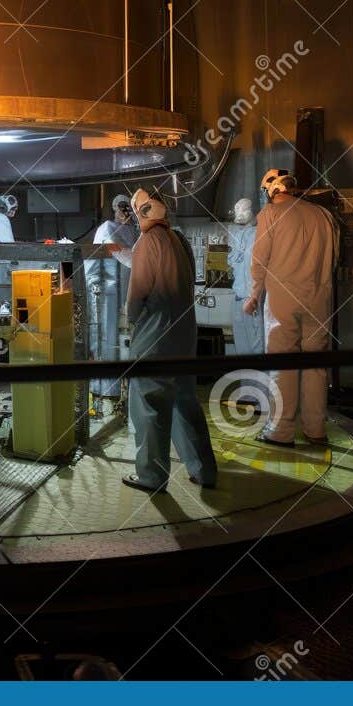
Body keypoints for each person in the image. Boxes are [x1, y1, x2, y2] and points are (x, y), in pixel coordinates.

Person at [120, 188, 217, 493]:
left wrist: (130, 321)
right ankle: (204, 471)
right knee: (185, 403)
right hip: (184, 333)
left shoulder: (149, 242)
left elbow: (137, 293)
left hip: (155, 334)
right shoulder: (178, 239)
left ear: (141, 213)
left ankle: (152, 476)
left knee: (149, 405)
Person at [243, 169, 339, 447]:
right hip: (320, 297)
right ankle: (316, 429)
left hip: (282, 298)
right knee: (315, 365)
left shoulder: (271, 215)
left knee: (282, 363)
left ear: (271, 190)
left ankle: (280, 431)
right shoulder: (323, 215)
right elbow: (334, 259)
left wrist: (253, 296)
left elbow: (259, 261)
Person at [85, 194, 138, 411]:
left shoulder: (132, 231)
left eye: (128, 209)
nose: (124, 213)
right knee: (105, 339)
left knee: (120, 340)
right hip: (104, 293)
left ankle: (118, 386)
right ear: (115, 209)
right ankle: (104, 388)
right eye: (122, 208)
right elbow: (119, 253)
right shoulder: (107, 229)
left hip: (123, 293)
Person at [226, 198, 264, 355]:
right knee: (243, 350)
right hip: (239, 298)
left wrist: (254, 297)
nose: (239, 212)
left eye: (243, 209)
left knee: (256, 348)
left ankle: (257, 380)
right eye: (237, 208)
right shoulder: (237, 234)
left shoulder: (260, 235)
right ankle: (247, 379)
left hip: (253, 299)